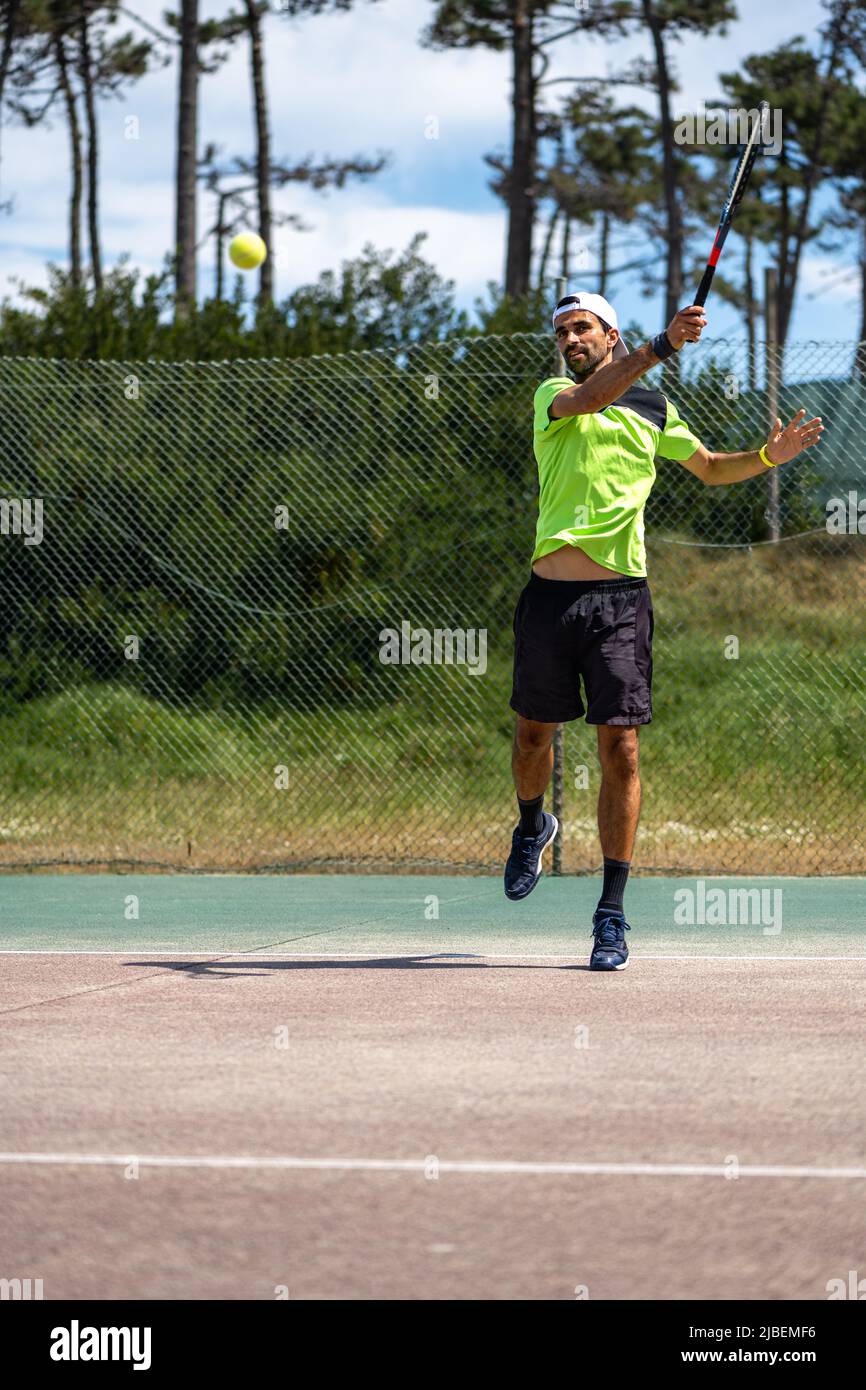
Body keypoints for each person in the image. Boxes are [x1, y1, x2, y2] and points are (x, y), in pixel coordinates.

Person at [505, 290, 824, 971]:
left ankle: (611, 915)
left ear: (609, 332)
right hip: (549, 602)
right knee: (534, 735)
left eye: (582, 326)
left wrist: (768, 457)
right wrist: (665, 346)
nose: (570, 338)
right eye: (562, 330)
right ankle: (531, 827)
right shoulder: (556, 394)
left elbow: (709, 469)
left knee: (620, 749)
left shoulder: (651, 406)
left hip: (621, 600)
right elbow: (592, 399)